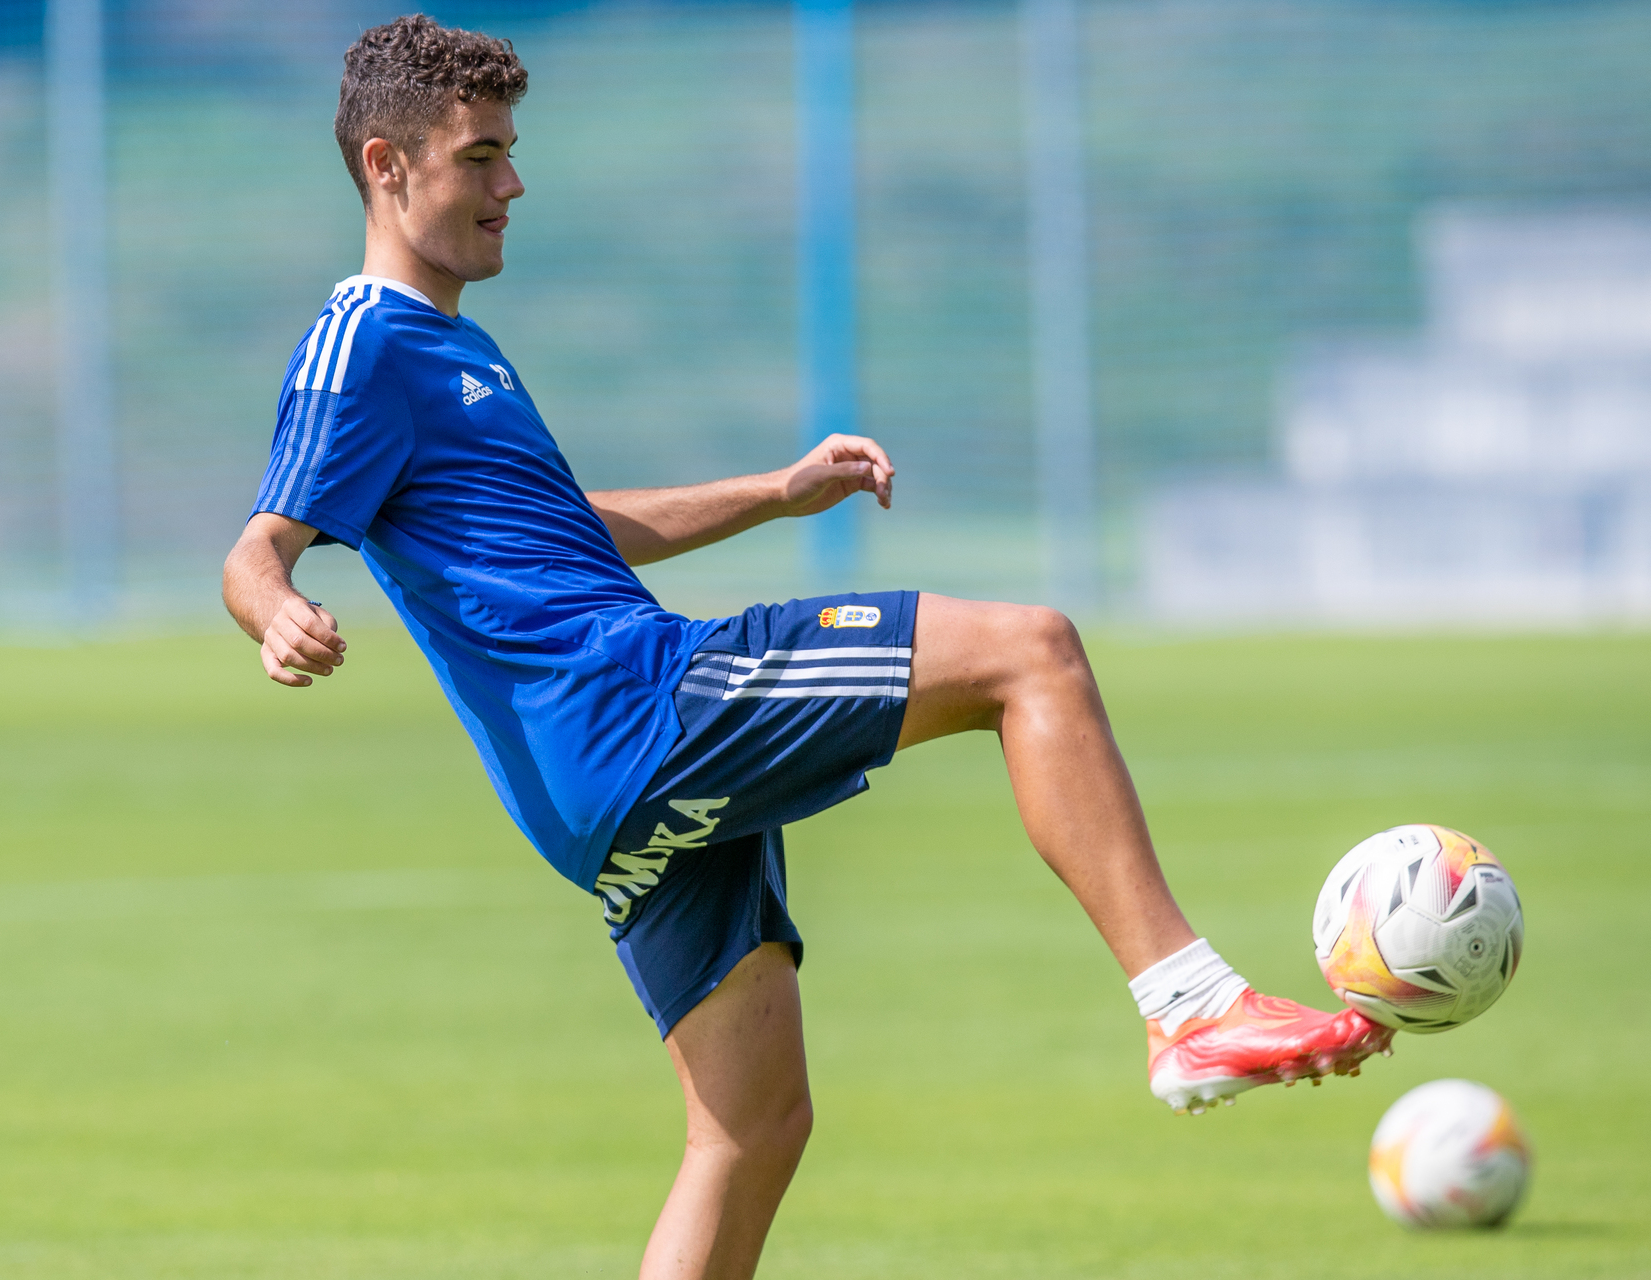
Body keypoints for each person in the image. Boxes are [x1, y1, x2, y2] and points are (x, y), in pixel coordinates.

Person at [221, 15, 1393, 1278]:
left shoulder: (454, 349)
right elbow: (256, 545)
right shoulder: (363, 343)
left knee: (752, 1127)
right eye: (482, 158)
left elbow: (573, 528)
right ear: (388, 165)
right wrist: (275, 606)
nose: (514, 185)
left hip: (594, 785)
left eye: (512, 154)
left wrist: (772, 493)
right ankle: (1192, 1003)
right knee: (1030, 651)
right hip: (634, 708)